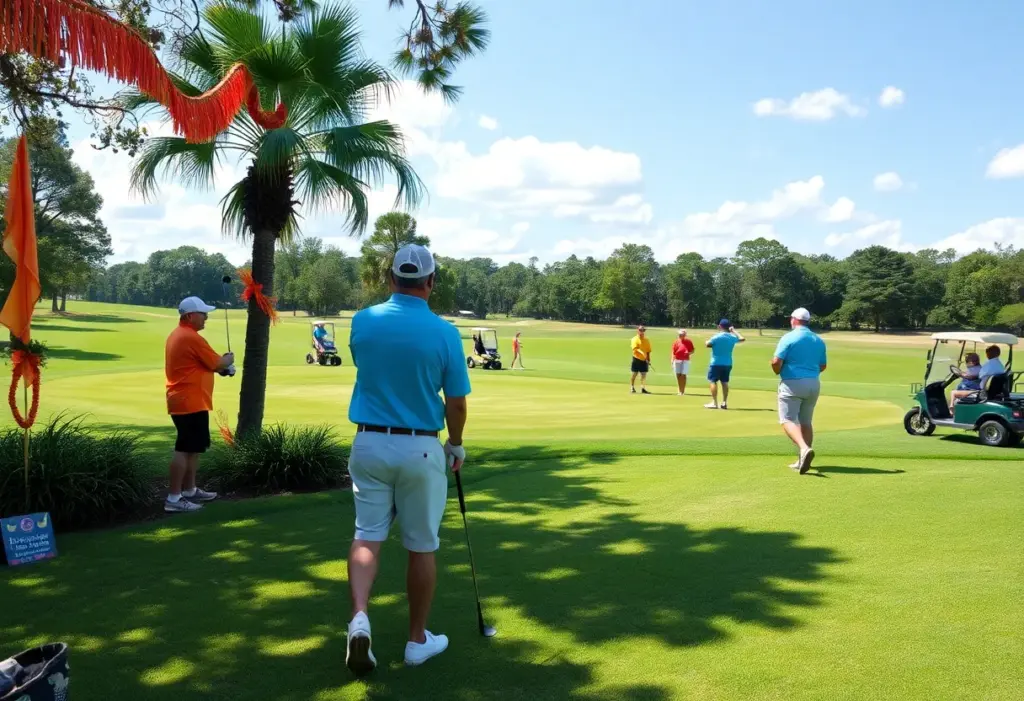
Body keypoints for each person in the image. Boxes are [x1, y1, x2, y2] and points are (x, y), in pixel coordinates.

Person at [345, 244, 471, 676]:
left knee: (367, 536)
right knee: (421, 545)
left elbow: (367, 365)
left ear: (391, 279)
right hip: (420, 447)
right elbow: (456, 403)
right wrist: (456, 444)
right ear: (431, 281)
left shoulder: (363, 321)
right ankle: (417, 641)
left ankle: (359, 618)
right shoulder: (445, 333)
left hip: (369, 443)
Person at [164, 296, 234, 513]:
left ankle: (189, 490)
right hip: (188, 400)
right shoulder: (190, 337)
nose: (206, 318)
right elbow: (216, 362)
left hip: (192, 400)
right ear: (190, 316)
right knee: (184, 448)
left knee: (194, 448)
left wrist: (221, 369)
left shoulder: (181, 335)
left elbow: (206, 365)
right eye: (203, 314)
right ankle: (174, 498)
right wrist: (228, 361)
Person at [771, 308, 827, 474]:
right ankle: (802, 458)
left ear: (794, 320)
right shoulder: (818, 340)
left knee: (787, 419)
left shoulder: (789, 337)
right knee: (805, 421)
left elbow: (776, 362)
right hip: (813, 383)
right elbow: (823, 365)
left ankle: (804, 449)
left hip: (792, 382)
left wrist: (777, 371)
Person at [705, 319, 745, 409]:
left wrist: (706, 342)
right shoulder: (732, 337)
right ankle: (724, 402)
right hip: (727, 363)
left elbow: (708, 344)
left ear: (720, 326)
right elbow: (742, 338)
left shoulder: (716, 336)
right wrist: (734, 331)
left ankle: (714, 403)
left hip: (716, 363)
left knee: (712, 381)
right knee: (724, 382)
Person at [671, 329, 695, 395]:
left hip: (685, 360)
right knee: (678, 375)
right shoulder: (676, 342)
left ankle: (682, 391)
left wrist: (688, 353)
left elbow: (692, 350)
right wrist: (672, 360)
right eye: (680, 334)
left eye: (682, 334)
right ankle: (679, 390)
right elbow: (673, 352)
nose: (680, 335)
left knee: (683, 375)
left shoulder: (689, 342)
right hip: (677, 359)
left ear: (685, 335)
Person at [630, 325, 653, 394]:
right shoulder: (634, 339)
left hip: (644, 360)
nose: (642, 332)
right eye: (640, 330)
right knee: (634, 374)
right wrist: (642, 353)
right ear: (638, 330)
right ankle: (632, 387)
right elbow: (635, 349)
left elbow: (648, 351)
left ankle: (643, 388)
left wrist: (648, 359)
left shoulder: (646, 340)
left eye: (643, 330)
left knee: (643, 374)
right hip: (636, 358)